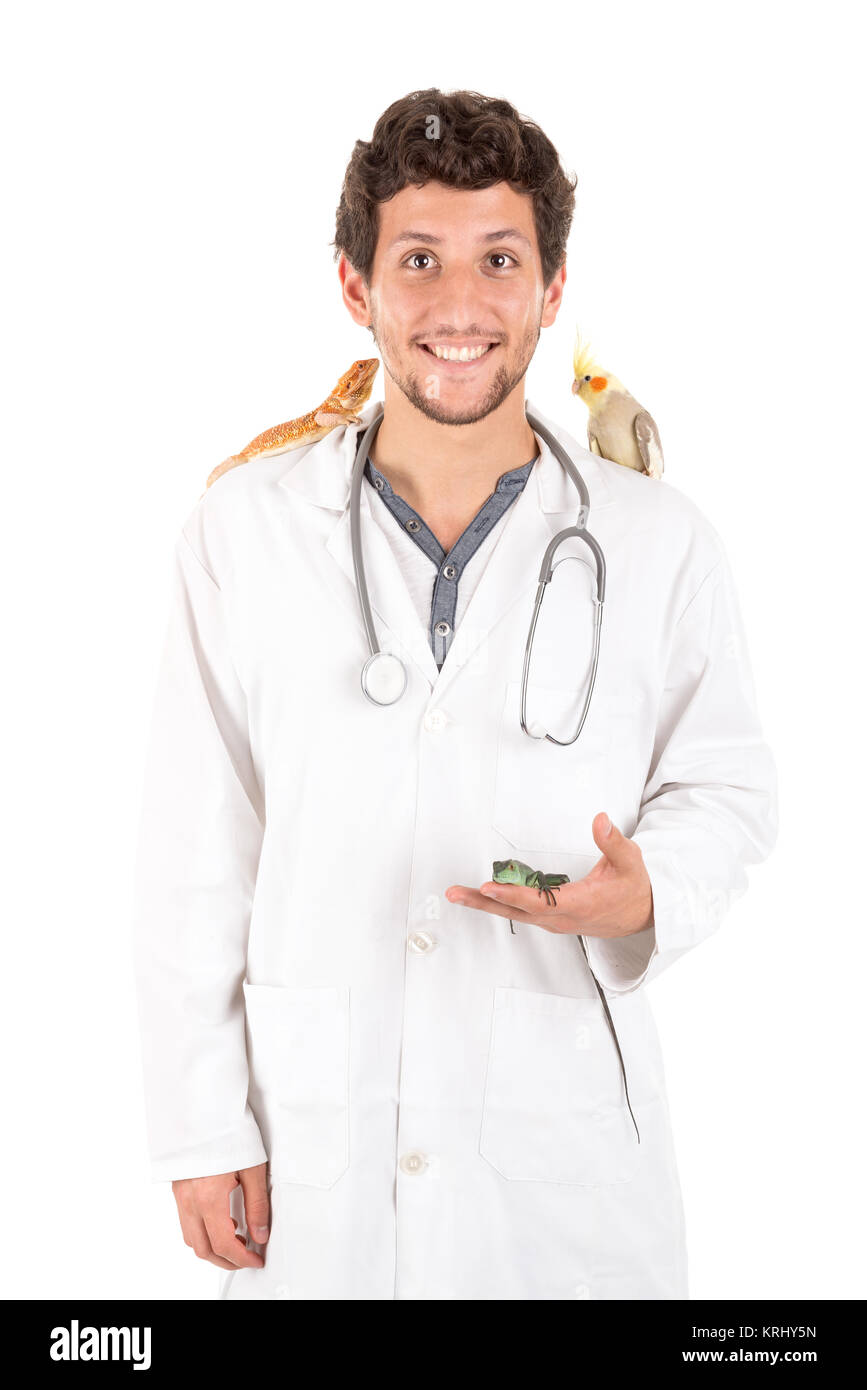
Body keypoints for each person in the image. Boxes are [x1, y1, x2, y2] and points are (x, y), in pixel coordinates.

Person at [132, 88, 778, 1301]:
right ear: (355, 286)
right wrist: (203, 1124)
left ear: (551, 288)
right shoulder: (242, 533)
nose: (460, 305)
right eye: (418, 260)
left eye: (499, 259)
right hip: (320, 1155)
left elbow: (729, 788)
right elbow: (193, 849)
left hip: (566, 1170)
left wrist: (650, 886)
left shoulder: (657, 540)